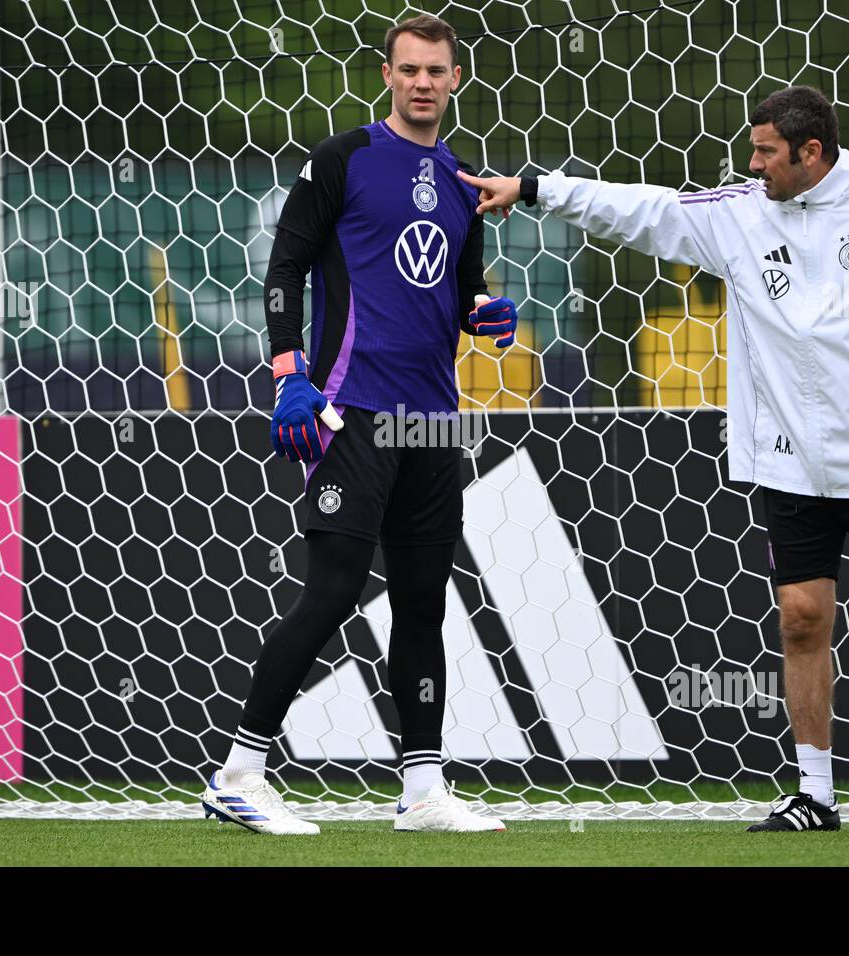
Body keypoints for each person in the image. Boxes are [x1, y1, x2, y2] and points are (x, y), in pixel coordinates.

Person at [458, 86, 849, 832]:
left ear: (811, 153)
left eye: (765, 153)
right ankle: (815, 794)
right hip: (789, 460)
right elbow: (640, 209)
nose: (752, 165)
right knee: (801, 619)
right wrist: (533, 188)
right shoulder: (739, 215)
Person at [201, 13, 514, 835]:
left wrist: (481, 309)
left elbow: (462, 279)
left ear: (455, 80)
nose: (422, 82)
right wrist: (287, 374)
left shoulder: (462, 179)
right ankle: (239, 772)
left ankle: (421, 790)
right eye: (408, 68)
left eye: (436, 70)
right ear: (386, 75)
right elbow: (286, 266)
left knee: (422, 602)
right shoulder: (341, 159)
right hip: (352, 409)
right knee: (335, 590)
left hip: (434, 420)